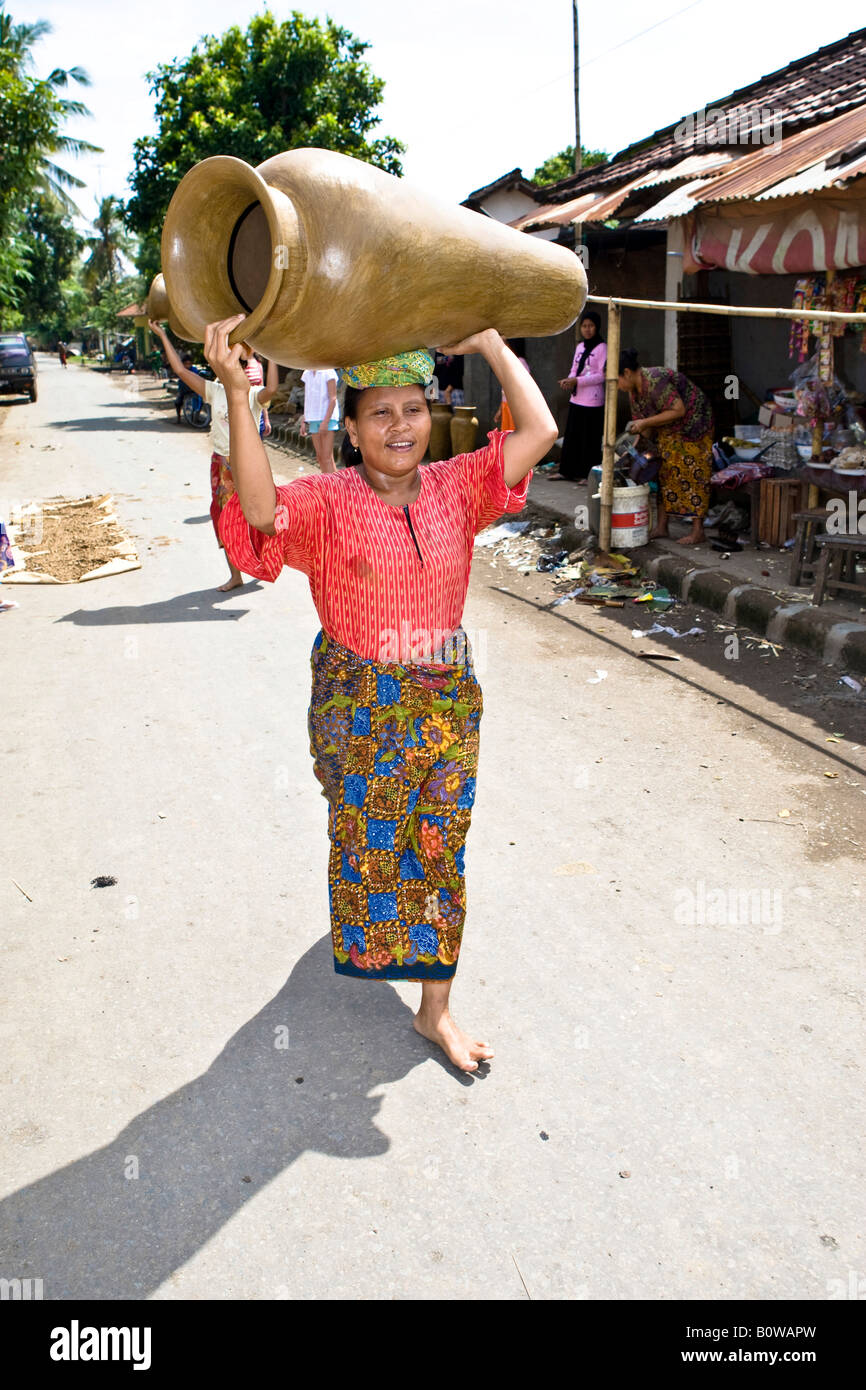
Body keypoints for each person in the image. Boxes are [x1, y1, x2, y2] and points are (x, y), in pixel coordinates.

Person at [209, 313, 557, 1072]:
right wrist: (238, 394)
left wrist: (493, 345)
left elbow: (541, 429)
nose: (400, 425)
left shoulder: (459, 485)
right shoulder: (329, 500)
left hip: (445, 700)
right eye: (381, 412)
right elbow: (262, 513)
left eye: (413, 407)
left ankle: (436, 1011)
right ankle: (384, 937)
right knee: (370, 845)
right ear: (354, 427)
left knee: (440, 847)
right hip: (358, 703)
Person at [148, 319, 278, 590]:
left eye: (242, 365)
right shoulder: (214, 391)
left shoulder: (253, 395)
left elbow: (273, 390)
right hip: (222, 463)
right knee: (224, 519)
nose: (236, 370)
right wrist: (162, 334)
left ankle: (263, 562)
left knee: (259, 516)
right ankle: (236, 575)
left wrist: (272, 354)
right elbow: (180, 370)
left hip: (249, 466)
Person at [618, 348, 713, 546]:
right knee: (664, 471)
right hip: (669, 430)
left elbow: (678, 410)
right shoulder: (633, 392)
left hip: (694, 426)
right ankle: (662, 526)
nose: (616, 386)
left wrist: (644, 424)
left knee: (692, 473)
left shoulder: (655, 381)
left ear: (626, 373)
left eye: (615, 380)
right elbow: (642, 426)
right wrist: (633, 449)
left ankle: (698, 531)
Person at [555, 311, 606, 481]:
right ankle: (566, 471)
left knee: (589, 440)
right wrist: (569, 381)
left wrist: (577, 381)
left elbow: (602, 375)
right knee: (572, 437)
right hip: (576, 398)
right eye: (584, 326)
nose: (587, 329)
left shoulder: (602, 348)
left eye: (591, 326)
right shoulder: (580, 347)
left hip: (592, 400)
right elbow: (574, 369)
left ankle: (586, 475)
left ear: (597, 327)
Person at [300, 367, 339, 474]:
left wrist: (325, 422)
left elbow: (333, 399)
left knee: (327, 458)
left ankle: (336, 487)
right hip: (313, 418)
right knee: (320, 457)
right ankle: (327, 485)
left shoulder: (329, 372)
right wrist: (304, 420)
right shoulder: (307, 373)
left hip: (328, 418)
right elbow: (308, 398)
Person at [493, 338, 530, 432]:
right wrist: (501, 409)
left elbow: (523, 388)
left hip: (515, 407)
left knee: (514, 435)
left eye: (505, 344)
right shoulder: (510, 362)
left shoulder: (520, 362)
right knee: (507, 435)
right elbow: (505, 390)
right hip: (507, 406)